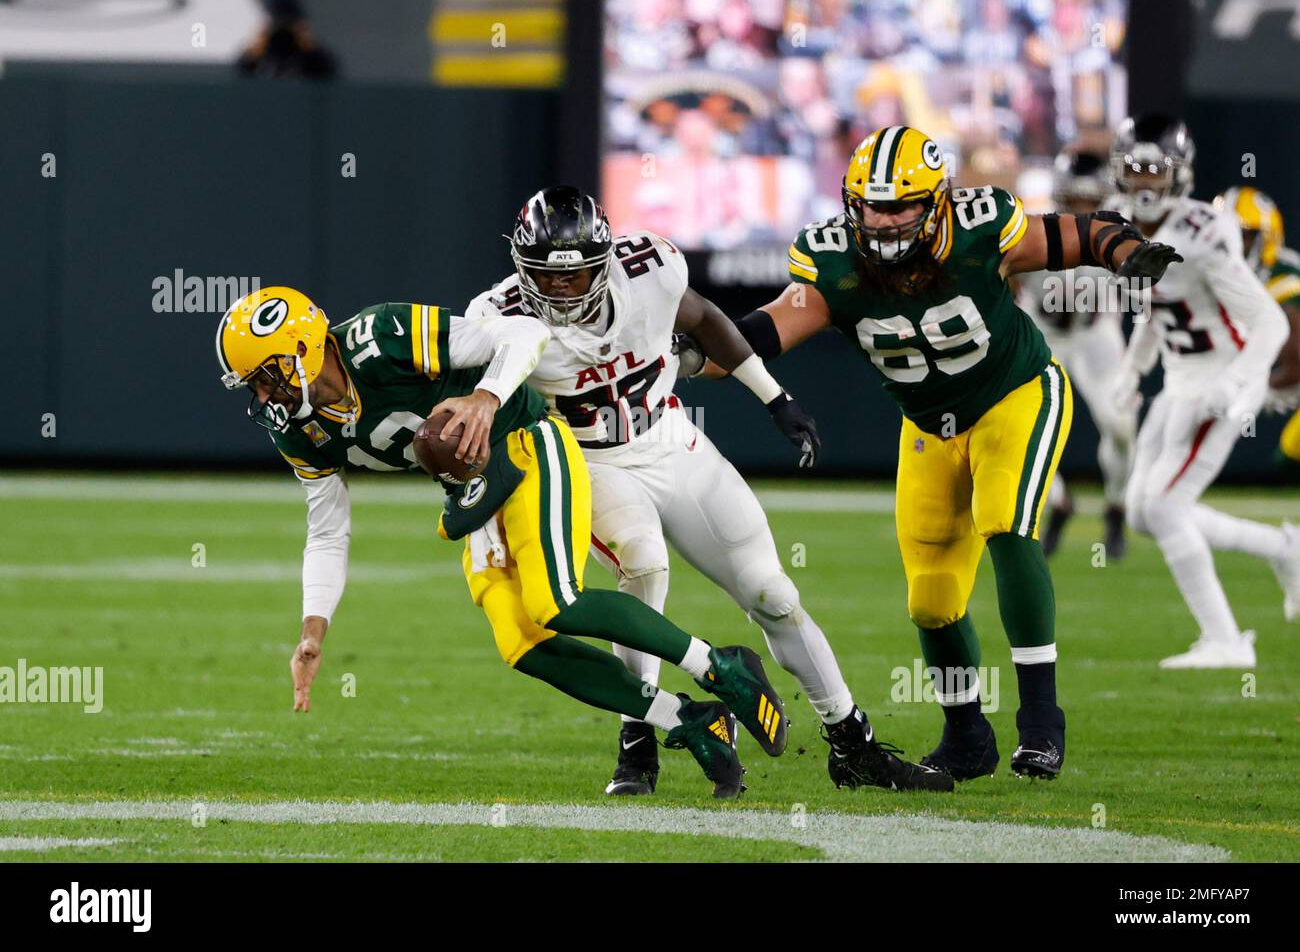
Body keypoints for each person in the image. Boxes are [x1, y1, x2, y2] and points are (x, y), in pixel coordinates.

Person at [464, 185, 953, 795]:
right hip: (586, 460)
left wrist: (776, 398)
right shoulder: (496, 316)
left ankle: (853, 744)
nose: (561, 289)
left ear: (605, 261)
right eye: (547, 275)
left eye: (575, 274)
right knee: (643, 561)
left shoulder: (649, 270)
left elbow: (703, 319)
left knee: (773, 592)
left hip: (669, 436)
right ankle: (638, 740)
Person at [728, 124, 1181, 779]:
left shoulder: (978, 228)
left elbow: (1078, 234)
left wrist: (1124, 250)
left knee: (1006, 523)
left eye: (900, 205)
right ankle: (967, 736)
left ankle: (1041, 724)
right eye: (871, 206)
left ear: (937, 201)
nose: (883, 220)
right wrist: (692, 350)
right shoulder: (832, 261)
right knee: (931, 600)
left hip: (1015, 393)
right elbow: (765, 331)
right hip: (928, 425)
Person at [213, 286, 790, 797]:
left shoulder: (380, 338)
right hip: (474, 486)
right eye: (253, 386)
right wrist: (313, 630)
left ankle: (719, 665)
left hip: (524, 441)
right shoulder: (300, 429)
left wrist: (486, 397)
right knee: (521, 642)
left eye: (265, 378)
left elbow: (524, 332)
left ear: (303, 350)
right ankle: (688, 719)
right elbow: (327, 530)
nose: (263, 397)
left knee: (556, 601)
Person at [1107, 117, 1297, 669]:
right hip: (1179, 379)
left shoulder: (1204, 231)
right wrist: (1132, 371)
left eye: (1155, 169)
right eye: (1135, 167)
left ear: (1179, 174)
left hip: (1220, 377)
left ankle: (1227, 642)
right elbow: (1155, 307)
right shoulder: (1120, 225)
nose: (1144, 181)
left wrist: (1235, 387)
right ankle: (1284, 548)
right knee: (1142, 513)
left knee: (1165, 507)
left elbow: (1271, 324)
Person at [1017, 150, 1136, 557]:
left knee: (1121, 426)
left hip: (1095, 333)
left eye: (1091, 201)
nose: (1084, 210)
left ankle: (1116, 506)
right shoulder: (1031, 229)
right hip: (1042, 333)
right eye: (1076, 200)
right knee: (1021, 427)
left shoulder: (1120, 233)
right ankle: (1059, 501)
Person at [1213, 186, 1300, 483]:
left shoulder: (1284, 278)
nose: (1232, 243)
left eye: (1244, 234)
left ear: (1266, 238)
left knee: (1289, 460)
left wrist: (1256, 393)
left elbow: (1296, 364)